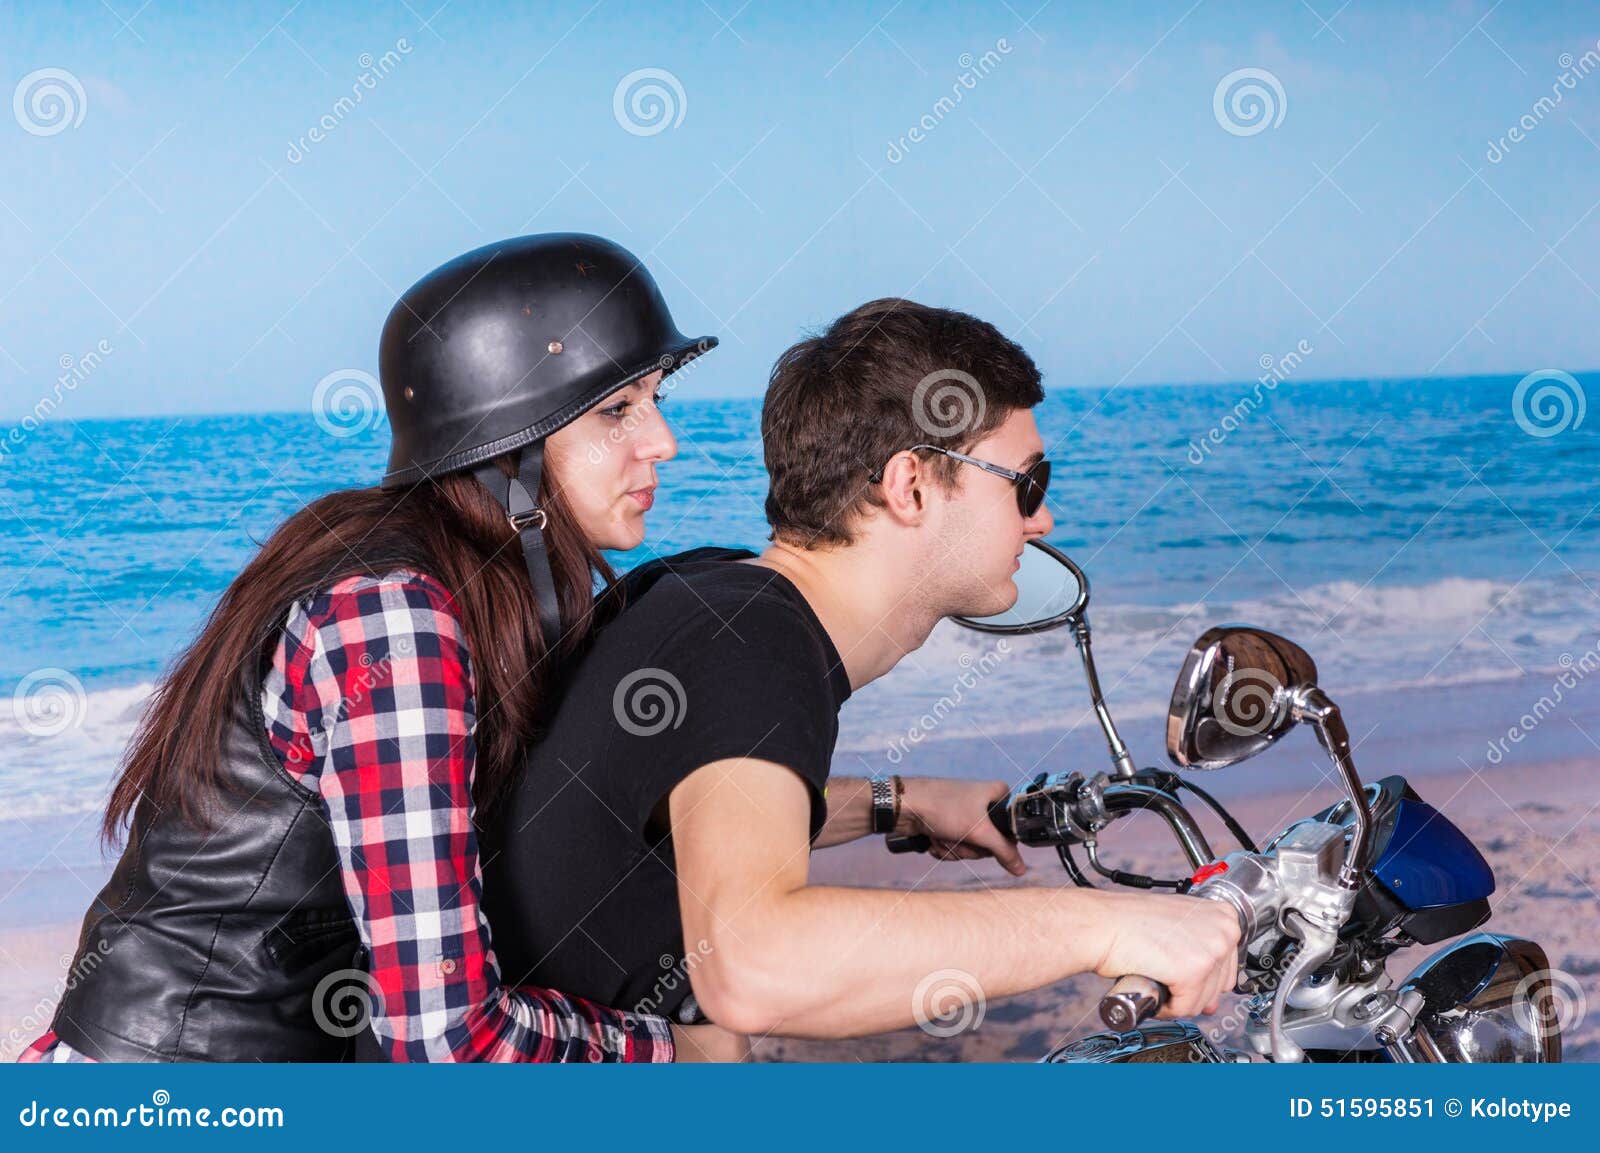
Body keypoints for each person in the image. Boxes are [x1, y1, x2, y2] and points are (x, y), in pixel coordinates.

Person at [20, 233, 741, 1063]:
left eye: (655, 399)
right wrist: (678, 1052)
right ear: (509, 444)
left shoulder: (474, 586)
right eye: (618, 409)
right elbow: (446, 1041)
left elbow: (617, 806)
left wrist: (885, 805)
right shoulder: (393, 618)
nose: (664, 442)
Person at [483, 298, 1241, 1046]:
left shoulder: (707, 591)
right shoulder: (755, 642)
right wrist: (1104, 925)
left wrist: (898, 803)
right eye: (1027, 484)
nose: (1040, 521)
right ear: (910, 486)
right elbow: (754, 966)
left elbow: (679, 814)